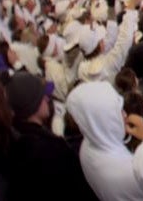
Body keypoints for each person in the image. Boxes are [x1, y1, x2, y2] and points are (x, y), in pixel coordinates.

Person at [7, 71, 95, 200]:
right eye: (42, 96)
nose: (47, 99)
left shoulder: (22, 142)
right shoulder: (48, 151)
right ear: (33, 105)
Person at [65, 81, 143, 201]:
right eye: (118, 111)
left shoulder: (86, 147)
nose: (125, 114)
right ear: (105, 119)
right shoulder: (128, 171)